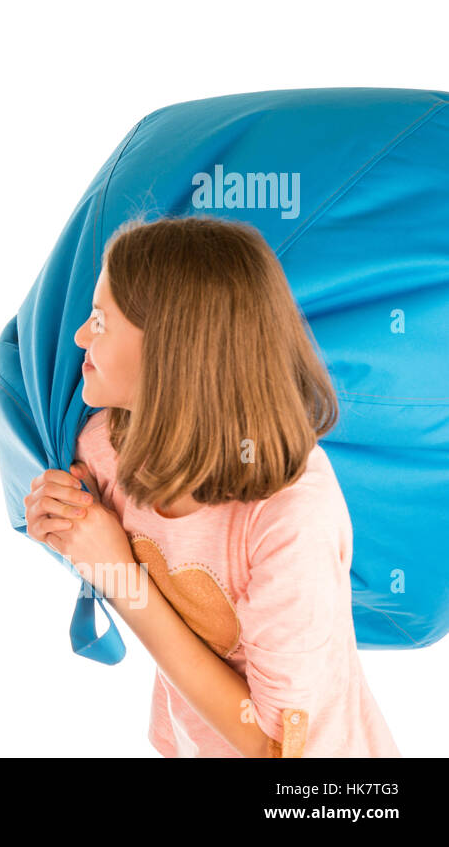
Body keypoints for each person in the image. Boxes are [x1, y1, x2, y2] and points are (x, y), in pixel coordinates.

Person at [24, 215, 398, 757]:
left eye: (100, 321)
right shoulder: (106, 443)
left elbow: (276, 746)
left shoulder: (292, 515)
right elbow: (85, 534)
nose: (81, 336)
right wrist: (57, 513)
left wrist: (119, 576)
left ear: (172, 348)